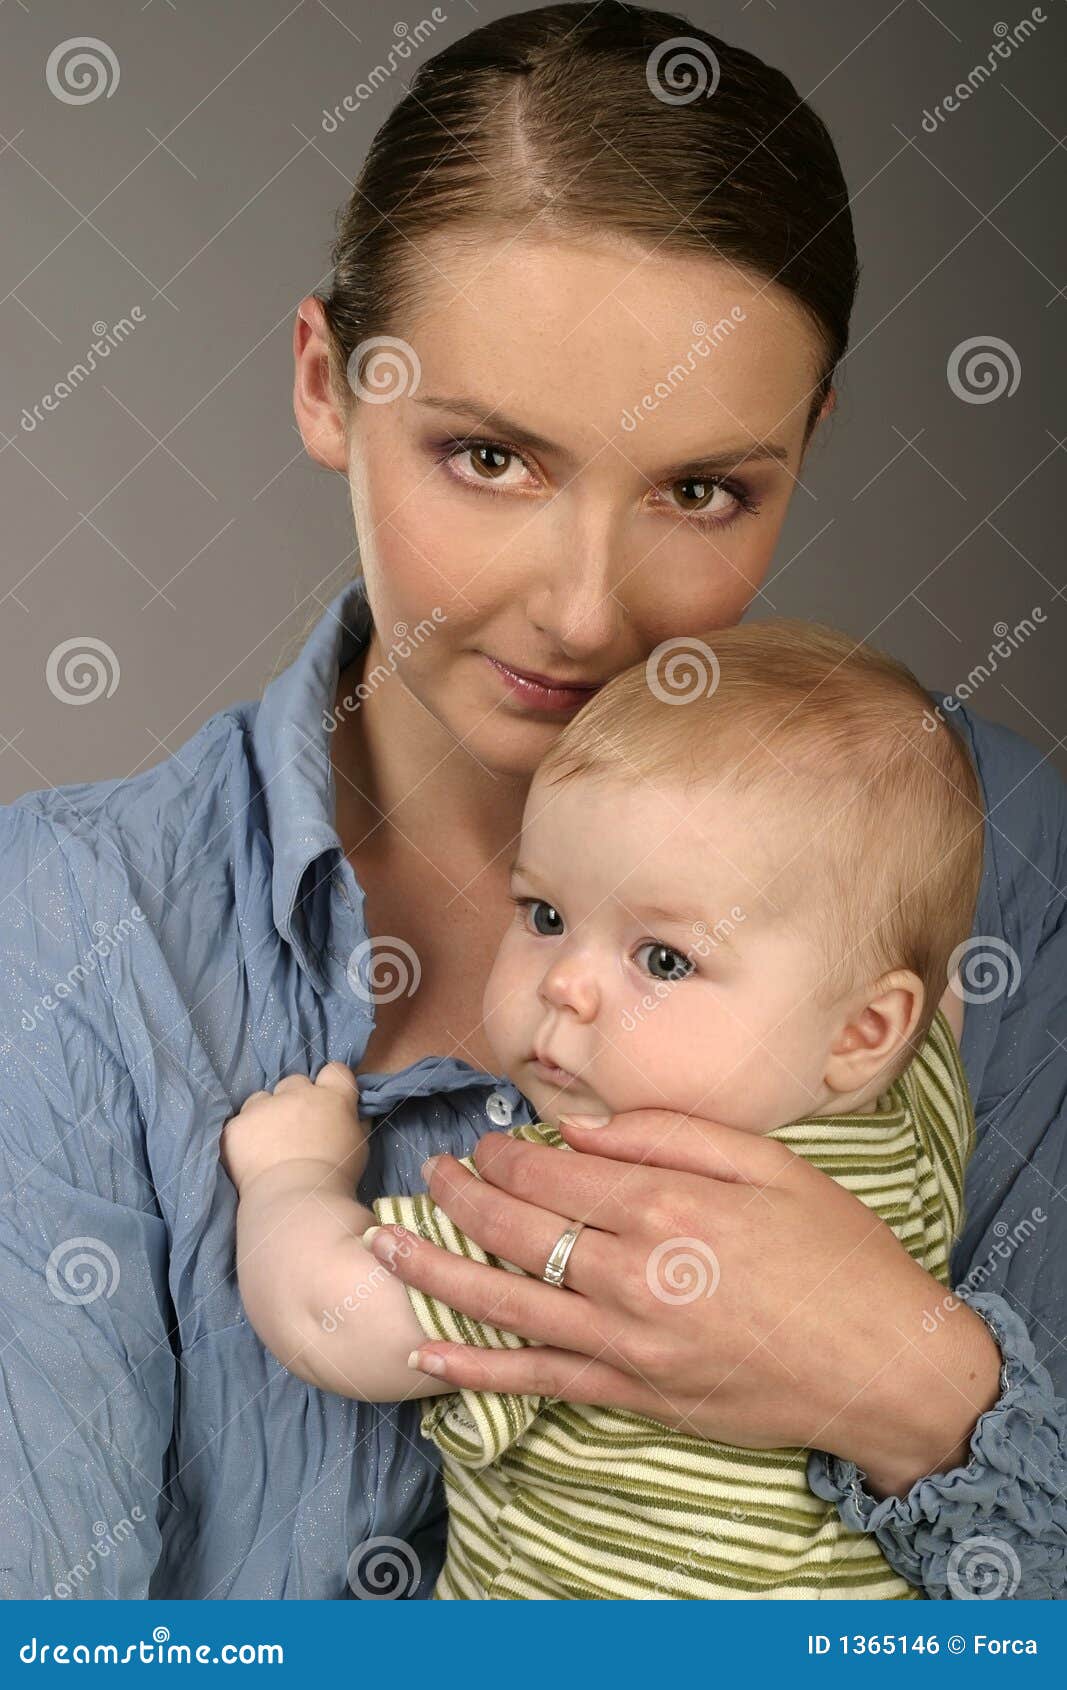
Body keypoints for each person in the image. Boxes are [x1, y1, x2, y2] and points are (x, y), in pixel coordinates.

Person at [0, 5, 1063, 1601]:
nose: (582, 611)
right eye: (488, 456)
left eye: (702, 489)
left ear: (804, 448)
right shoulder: (71, 931)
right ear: (324, 385)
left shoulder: (1008, 861)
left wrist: (911, 1386)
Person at [221, 620, 987, 1599]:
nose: (565, 986)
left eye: (661, 958)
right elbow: (933, 990)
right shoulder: (911, 1129)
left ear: (859, 1033)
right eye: (544, 916)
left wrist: (293, 1177)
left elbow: (338, 1316)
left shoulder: (611, 1208)